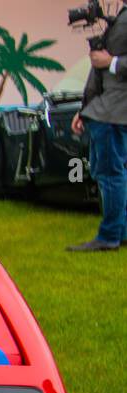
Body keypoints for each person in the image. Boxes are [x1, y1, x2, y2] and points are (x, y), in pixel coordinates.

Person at [69, 11, 127, 252]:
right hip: (104, 110)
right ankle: (119, 232)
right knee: (113, 173)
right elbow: (96, 70)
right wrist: (84, 110)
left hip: (114, 112)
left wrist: (111, 62)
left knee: (110, 174)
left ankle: (109, 235)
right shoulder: (120, 16)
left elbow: (103, 64)